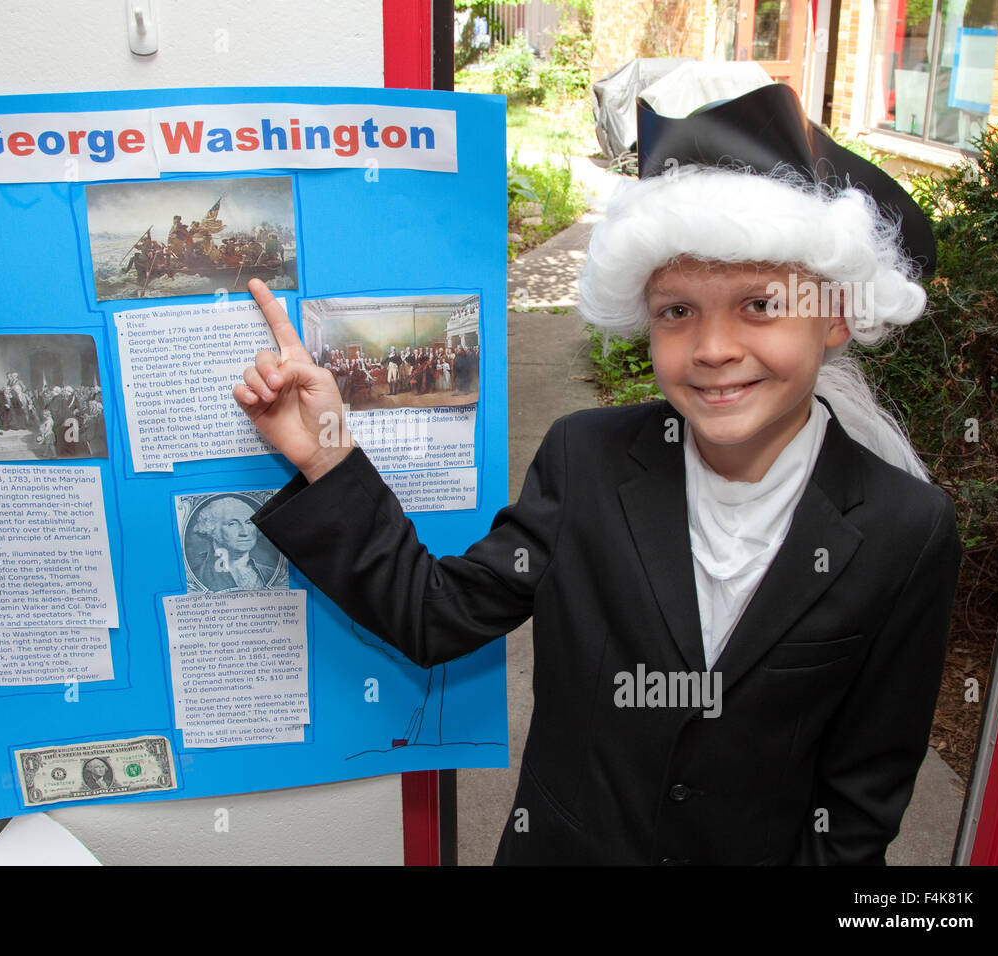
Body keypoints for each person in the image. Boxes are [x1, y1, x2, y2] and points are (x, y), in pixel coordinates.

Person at [232, 85, 961, 865]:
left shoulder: (903, 531)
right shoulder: (587, 460)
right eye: (677, 312)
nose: (713, 348)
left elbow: (858, 805)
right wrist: (328, 450)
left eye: (758, 305)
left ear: (835, 315)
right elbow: (433, 614)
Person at [191, 496, 271, 591]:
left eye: (249, 523)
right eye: (232, 524)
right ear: (211, 529)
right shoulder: (198, 577)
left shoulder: (269, 573)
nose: (244, 532)